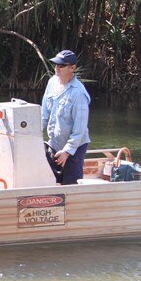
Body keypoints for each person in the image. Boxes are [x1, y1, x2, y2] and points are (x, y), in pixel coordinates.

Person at [41, 49, 91, 185]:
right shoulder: (52, 82)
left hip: (75, 147)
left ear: (72, 68)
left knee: (71, 185)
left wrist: (67, 151)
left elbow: (79, 129)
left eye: (61, 65)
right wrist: (32, 133)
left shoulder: (78, 93)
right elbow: (44, 115)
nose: (57, 68)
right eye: (56, 64)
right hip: (54, 143)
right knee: (51, 182)